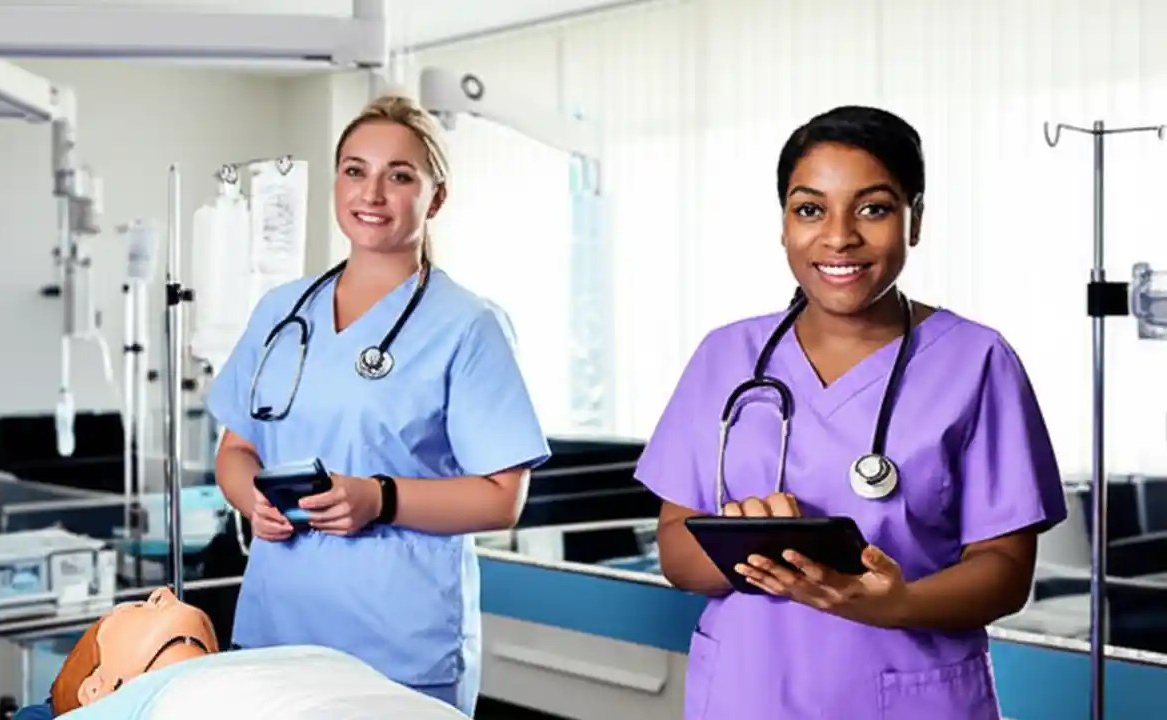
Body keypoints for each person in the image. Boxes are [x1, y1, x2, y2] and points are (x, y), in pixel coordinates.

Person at [635, 105, 1068, 719]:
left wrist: (896, 605)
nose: (839, 237)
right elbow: (676, 551)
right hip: (748, 691)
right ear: (784, 224)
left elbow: (1004, 570)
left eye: (873, 208)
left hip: (911, 695)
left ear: (915, 220)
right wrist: (755, 549)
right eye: (810, 209)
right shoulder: (725, 355)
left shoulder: (976, 360)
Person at [205, 94, 551, 717]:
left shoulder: (467, 325)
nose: (372, 192)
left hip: (397, 647)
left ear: (435, 198)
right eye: (355, 170)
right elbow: (237, 449)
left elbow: (504, 498)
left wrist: (379, 498)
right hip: (276, 634)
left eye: (400, 176)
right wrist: (250, 499)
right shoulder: (281, 311)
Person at [11, 587, 469, 719]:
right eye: (138, 607)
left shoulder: (304, 658)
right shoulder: (135, 707)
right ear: (98, 689)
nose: (163, 592)